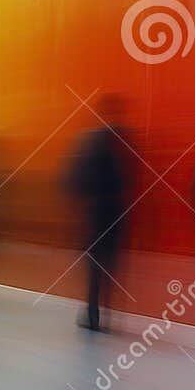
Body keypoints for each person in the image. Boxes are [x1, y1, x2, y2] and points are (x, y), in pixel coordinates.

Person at [67, 95, 134, 332]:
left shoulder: (88, 141)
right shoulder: (125, 140)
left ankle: (93, 314)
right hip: (116, 214)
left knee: (95, 267)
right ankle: (107, 312)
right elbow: (130, 180)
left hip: (95, 215)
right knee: (111, 265)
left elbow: (75, 180)